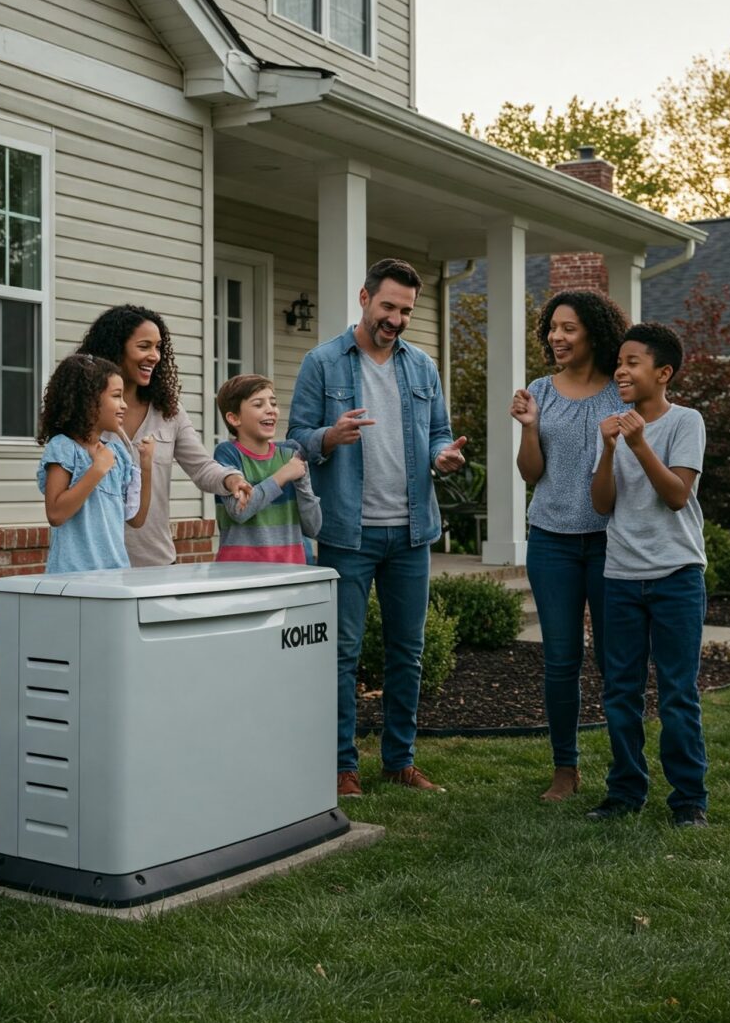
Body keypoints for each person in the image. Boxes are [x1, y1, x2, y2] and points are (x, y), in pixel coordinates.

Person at [288, 258, 468, 797]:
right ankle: (343, 766)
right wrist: (328, 437)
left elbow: (439, 432)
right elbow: (295, 438)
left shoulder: (423, 368)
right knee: (342, 654)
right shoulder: (322, 363)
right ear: (364, 298)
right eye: (388, 306)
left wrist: (444, 457)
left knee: (406, 653)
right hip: (348, 532)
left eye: (406, 310)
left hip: (412, 532)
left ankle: (398, 761)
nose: (396, 318)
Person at [588, 322, 710, 827]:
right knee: (620, 690)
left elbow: (678, 494)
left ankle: (688, 801)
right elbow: (602, 505)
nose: (620, 368)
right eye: (619, 360)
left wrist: (638, 445)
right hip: (620, 575)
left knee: (678, 692)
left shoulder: (686, 422)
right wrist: (612, 449)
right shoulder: (614, 425)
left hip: (676, 574)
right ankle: (625, 792)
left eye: (632, 361)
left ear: (663, 373)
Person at [511, 290, 629, 802]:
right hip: (552, 542)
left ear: (594, 334)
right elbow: (530, 474)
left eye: (570, 329)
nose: (557, 337)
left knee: (614, 659)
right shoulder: (541, 390)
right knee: (561, 659)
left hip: (610, 543)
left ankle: (627, 770)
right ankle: (566, 767)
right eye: (553, 328)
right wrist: (530, 429)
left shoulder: (621, 392)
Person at [77, 306, 252, 566]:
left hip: (155, 562)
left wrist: (231, 479)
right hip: (93, 563)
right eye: (144, 346)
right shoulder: (82, 409)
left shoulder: (169, 411)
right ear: (116, 348)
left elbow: (203, 467)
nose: (154, 356)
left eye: (158, 348)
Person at [37, 354, 154, 573]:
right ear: (88, 401)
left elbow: (136, 519)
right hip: (72, 578)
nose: (124, 405)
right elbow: (56, 514)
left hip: (115, 575)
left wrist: (146, 467)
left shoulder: (117, 452)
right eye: (117, 396)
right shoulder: (63, 447)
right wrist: (97, 469)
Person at [212, 374, 321, 564]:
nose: (270, 410)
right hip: (239, 574)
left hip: (291, 572)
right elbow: (239, 511)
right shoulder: (227, 454)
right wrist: (283, 475)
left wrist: (302, 484)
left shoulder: (290, 454)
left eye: (273, 403)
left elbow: (313, 528)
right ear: (234, 418)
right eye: (258, 404)